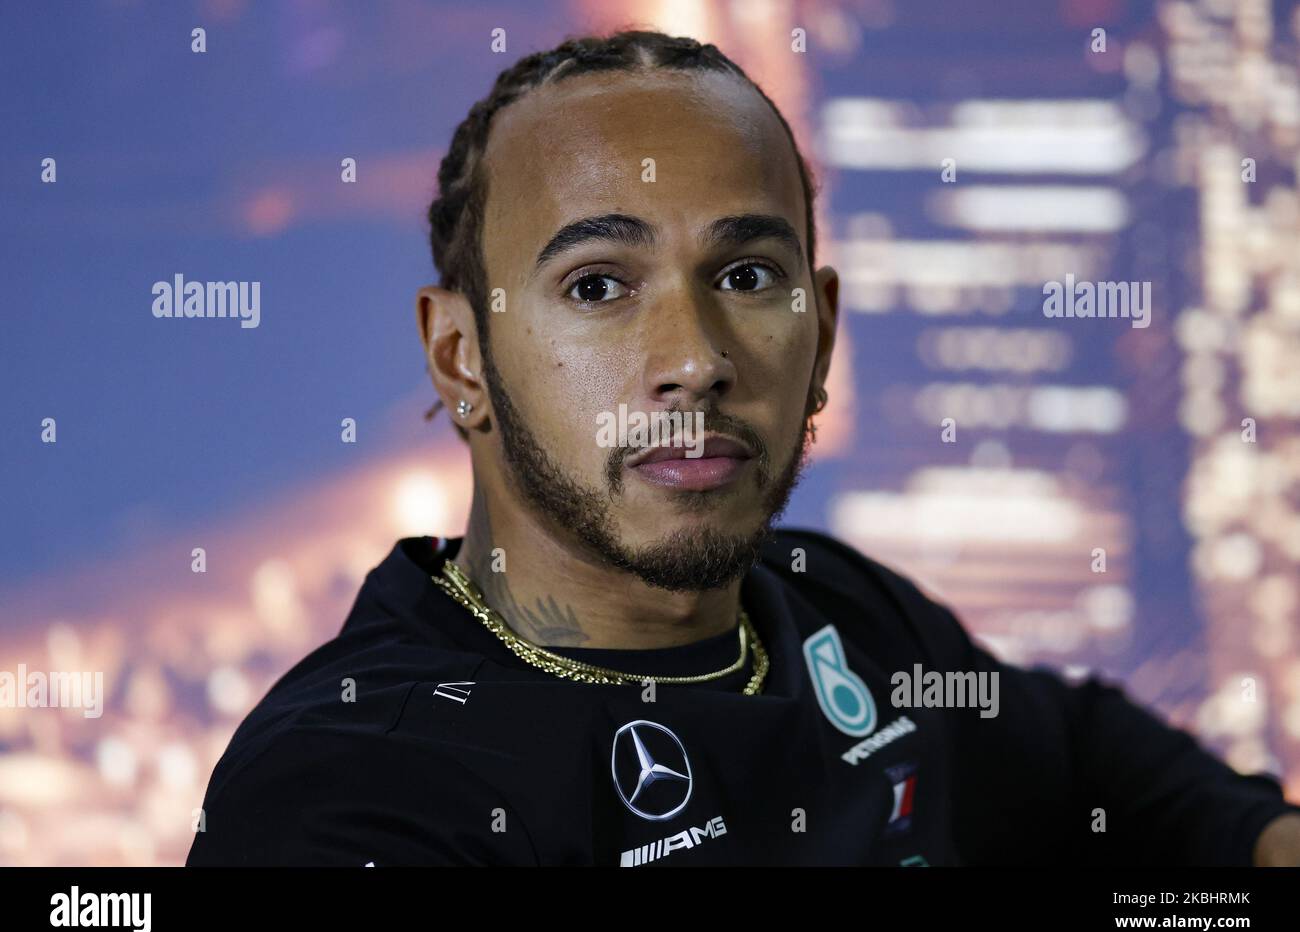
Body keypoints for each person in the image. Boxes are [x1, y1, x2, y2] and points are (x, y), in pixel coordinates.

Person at [187, 29, 1300, 866]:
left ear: (819, 332)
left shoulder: (842, 612)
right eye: (598, 285)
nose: (695, 358)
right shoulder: (348, 788)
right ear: (461, 357)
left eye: (746, 276)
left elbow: (1083, 759)